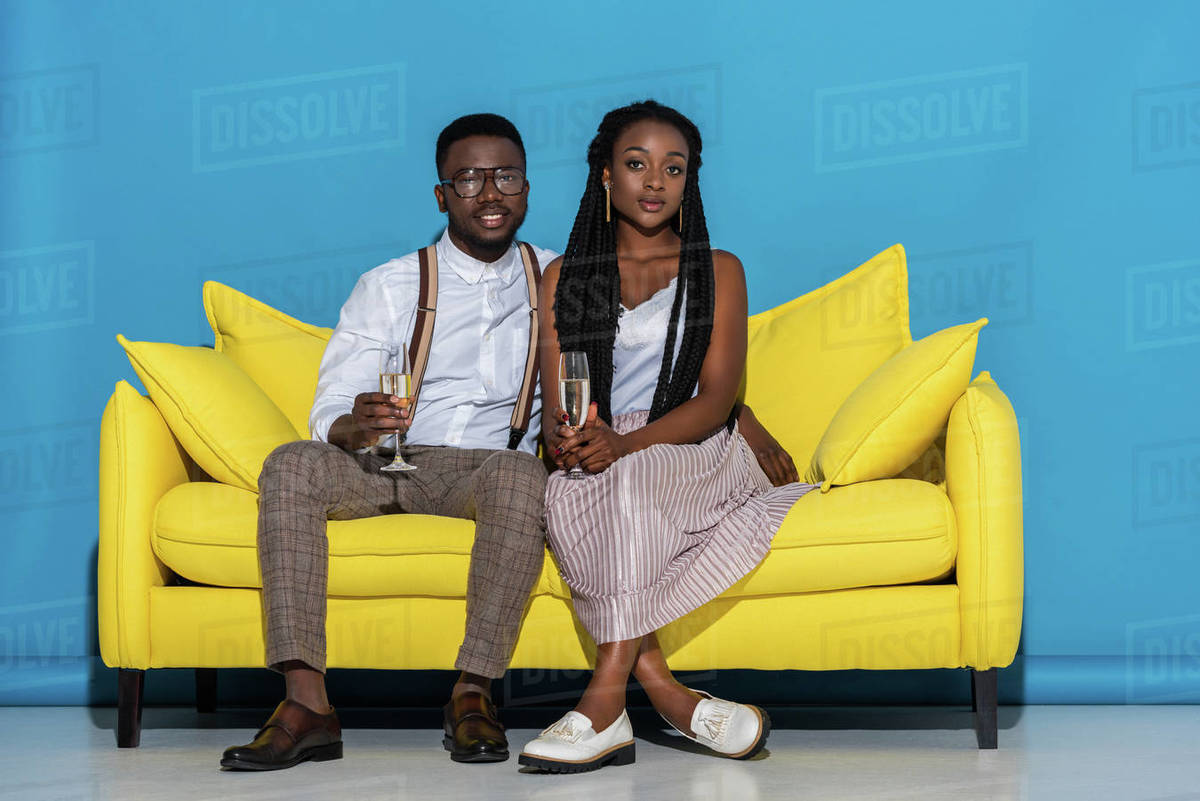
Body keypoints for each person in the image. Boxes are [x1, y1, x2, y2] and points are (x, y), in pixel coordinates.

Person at [220, 113, 559, 770]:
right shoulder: (392, 284)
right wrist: (360, 422)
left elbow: (639, 362)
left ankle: (472, 693)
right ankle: (307, 702)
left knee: (523, 474)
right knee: (290, 463)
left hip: (489, 468)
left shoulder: (558, 278)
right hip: (388, 462)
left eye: (506, 176)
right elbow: (329, 417)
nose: (490, 193)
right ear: (441, 195)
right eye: (468, 178)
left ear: (527, 188)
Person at [519, 100, 818, 773]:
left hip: (693, 444)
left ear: (689, 183)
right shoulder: (563, 277)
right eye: (636, 164)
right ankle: (669, 695)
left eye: (673, 168)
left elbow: (716, 399)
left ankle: (602, 703)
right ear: (604, 175)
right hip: (605, 450)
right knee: (580, 493)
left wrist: (625, 445)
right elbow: (554, 411)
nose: (655, 181)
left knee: (627, 488)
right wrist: (572, 441)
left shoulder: (720, 269)